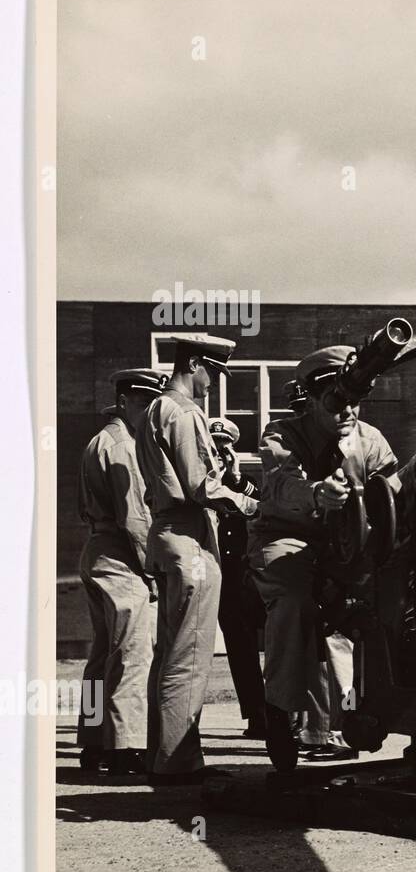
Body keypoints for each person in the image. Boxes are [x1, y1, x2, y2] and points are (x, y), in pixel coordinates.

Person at [249, 346, 403, 772]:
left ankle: (352, 719)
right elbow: (279, 485)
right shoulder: (283, 434)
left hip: (349, 547)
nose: (348, 411)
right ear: (314, 400)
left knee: (376, 610)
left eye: (355, 402)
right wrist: (317, 493)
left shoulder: (370, 440)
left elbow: (393, 495)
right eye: (337, 402)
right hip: (288, 539)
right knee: (296, 603)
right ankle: (279, 712)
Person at [135, 336, 257, 785]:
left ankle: (162, 756)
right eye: (211, 373)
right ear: (193, 364)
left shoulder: (153, 409)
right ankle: (178, 762)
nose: (212, 384)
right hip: (190, 535)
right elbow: (202, 485)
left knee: (169, 653)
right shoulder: (184, 412)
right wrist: (249, 506)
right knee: (188, 656)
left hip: (166, 532)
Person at [75, 368, 168, 774]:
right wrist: (154, 568)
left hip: (99, 549)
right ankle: (124, 746)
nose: (149, 412)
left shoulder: (104, 439)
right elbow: (135, 518)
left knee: (102, 657)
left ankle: (95, 742)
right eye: (144, 403)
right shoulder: (123, 446)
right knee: (132, 652)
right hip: (120, 554)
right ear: (126, 400)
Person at [209, 418, 266, 740]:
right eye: (213, 448)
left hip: (251, 574)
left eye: (224, 448)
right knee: (240, 651)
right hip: (224, 578)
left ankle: (281, 714)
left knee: (273, 646)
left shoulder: (246, 483)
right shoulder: (199, 481)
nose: (219, 454)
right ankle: (256, 716)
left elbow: (259, 506)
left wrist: (236, 475)